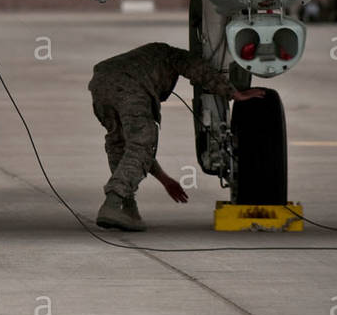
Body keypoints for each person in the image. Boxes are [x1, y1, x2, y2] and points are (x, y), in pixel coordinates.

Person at [89, 42, 265, 232]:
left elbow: (134, 151)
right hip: (128, 85)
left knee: (120, 144)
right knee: (141, 143)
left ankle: (127, 209)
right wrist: (233, 93)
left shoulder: (147, 59)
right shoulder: (170, 54)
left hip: (100, 83)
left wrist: (165, 180)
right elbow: (198, 69)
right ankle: (113, 203)